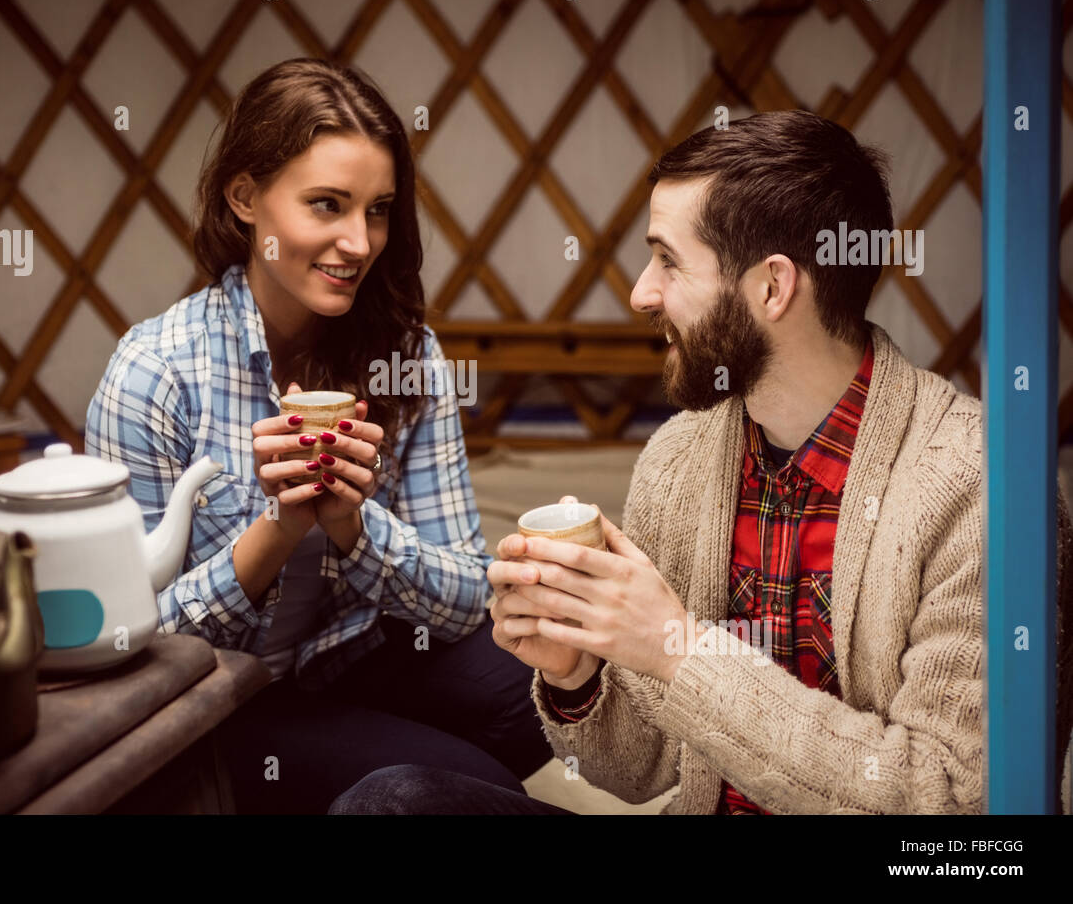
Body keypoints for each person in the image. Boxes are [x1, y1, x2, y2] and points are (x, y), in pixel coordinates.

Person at [330, 109, 1073, 815]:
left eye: (667, 261)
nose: (639, 293)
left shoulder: (978, 485)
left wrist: (678, 650)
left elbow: (953, 804)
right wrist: (576, 673)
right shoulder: (681, 459)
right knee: (393, 802)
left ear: (772, 287)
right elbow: (636, 770)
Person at [84, 57, 551, 814]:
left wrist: (353, 530)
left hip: (355, 656)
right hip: (220, 701)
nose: (360, 243)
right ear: (245, 198)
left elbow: (470, 593)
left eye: (377, 210)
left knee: (557, 683)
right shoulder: (155, 372)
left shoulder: (406, 355)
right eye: (327, 205)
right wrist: (276, 530)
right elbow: (120, 644)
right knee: (455, 794)